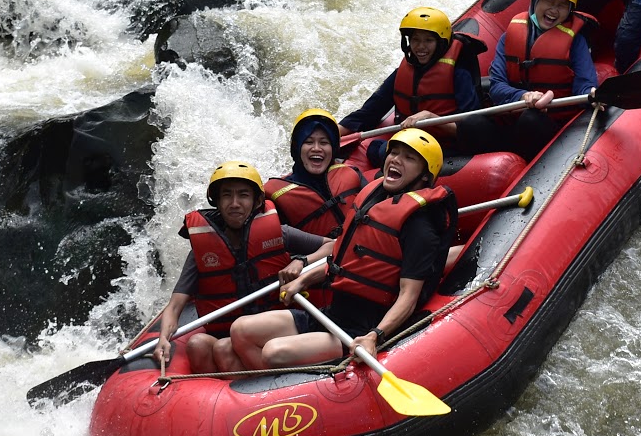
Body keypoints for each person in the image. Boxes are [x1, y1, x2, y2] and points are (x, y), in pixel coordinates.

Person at [228, 129, 458, 370]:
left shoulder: (420, 228)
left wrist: (374, 336)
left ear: (425, 176)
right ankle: (273, 386)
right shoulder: (373, 199)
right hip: (334, 313)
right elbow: (343, 261)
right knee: (241, 330)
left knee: (274, 352)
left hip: (360, 329)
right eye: (394, 153)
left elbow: (409, 297)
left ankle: (290, 385)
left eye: (409, 158)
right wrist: (303, 280)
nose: (396, 160)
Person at [153, 161, 326, 375]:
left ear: (256, 201)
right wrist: (163, 338)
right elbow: (174, 306)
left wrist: (301, 261)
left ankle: (259, 387)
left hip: (274, 329)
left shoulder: (280, 233)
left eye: (243, 195)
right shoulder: (202, 252)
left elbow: (332, 246)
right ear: (217, 201)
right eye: (227, 195)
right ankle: (225, 393)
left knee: (224, 348)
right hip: (229, 332)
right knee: (197, 345)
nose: (234, 203)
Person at [338, 6, 484, 155]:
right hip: (412, 142)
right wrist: (332, 132)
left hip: (447, 146)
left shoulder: (459, 73)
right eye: (415, 40)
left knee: (381, 151)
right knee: (375, 150)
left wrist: (430, 117)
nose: (420, 47)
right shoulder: (403, 71)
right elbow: (370, 111)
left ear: (440, 43)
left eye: (428, 40)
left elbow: (471, 128)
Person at [488, 0, 599, 160]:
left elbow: (584, 85)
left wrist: (591, 94)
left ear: (570, 10)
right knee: (473, 124)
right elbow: (497, 86)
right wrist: (523, 96)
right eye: (548, 0)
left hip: (553, 124)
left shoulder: (576, 42)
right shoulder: (509, 37)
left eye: (562, 5)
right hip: (514, 116)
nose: (554, 10)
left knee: (531, 119)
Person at [264, 109, 366, 239]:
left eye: (324, 142)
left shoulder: (352, 174)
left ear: (333, 149)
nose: (317, 148)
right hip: (316, 251)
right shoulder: (275, 195)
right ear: (297, 148)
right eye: (309, 142)